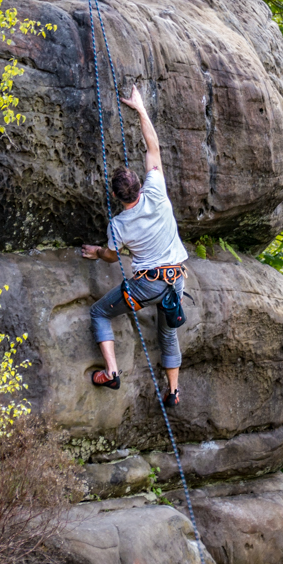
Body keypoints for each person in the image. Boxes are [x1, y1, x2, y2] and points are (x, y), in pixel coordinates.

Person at [81, 85, 187, 408]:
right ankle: (173, 391)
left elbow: (113, 257)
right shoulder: (157, 190)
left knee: (99, 312)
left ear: (117, 197)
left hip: (145, 286)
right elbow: (152, 147)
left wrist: (97, 252)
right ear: (140, 185)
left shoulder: (118, 225)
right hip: (176, 280)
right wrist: (141, 110)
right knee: (167, 333)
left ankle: (112, 372)